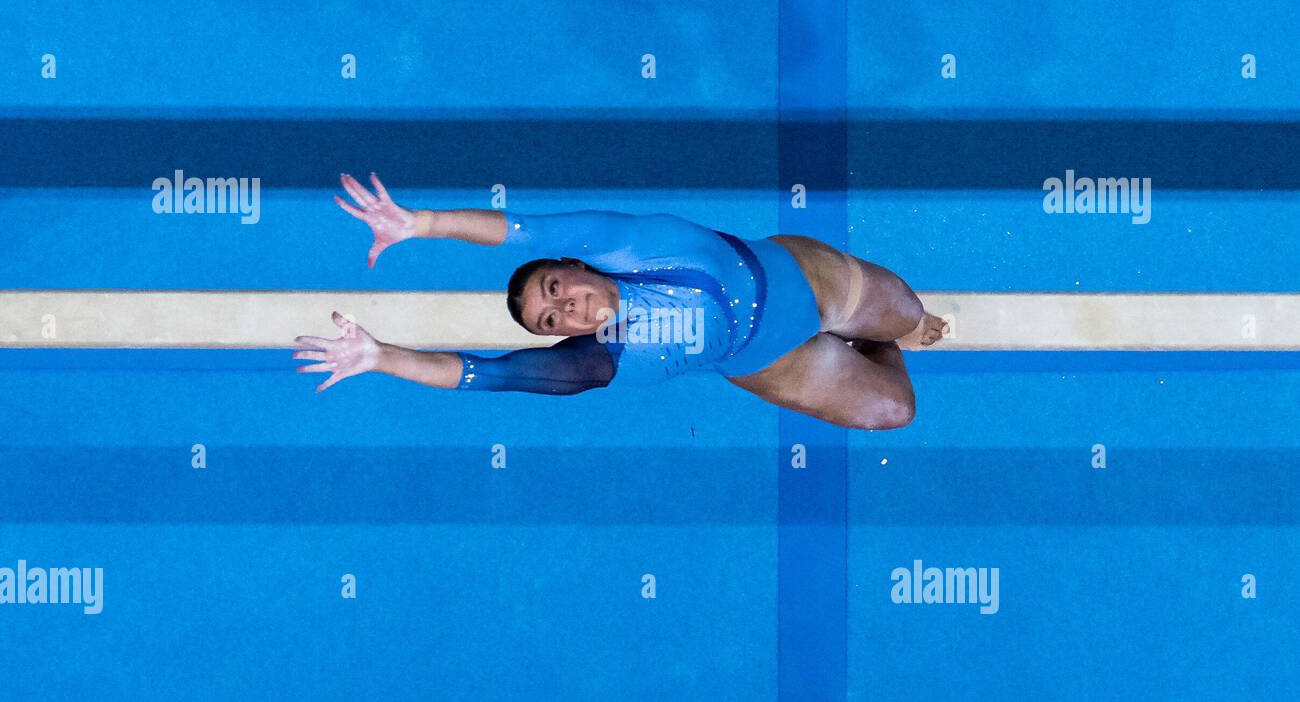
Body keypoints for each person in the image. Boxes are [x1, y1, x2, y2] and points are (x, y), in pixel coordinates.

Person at [292, 174, 947, 429]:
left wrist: (421, 223)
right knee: (895, 411)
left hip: (806, 279)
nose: (567, 309)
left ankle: (879, 332)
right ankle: (873, 348)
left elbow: (519, 229)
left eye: (555, 289)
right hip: (769, 361)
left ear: (576, 263)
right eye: (551, 321)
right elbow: (480, 374)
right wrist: (379, 357)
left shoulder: (628, 245)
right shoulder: (599, 360)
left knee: (910, 316)